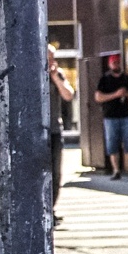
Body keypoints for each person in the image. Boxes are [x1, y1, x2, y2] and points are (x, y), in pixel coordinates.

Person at [93, 54, 128, 178]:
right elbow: (98, 97)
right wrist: (116, 94)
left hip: (126, 115)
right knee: (112, 143)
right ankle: (116, 170)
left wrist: (127, 94)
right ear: (110, 64)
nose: (116, 65)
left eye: (118, 62)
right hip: (110, 116)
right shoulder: (105, 79)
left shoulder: (126, 78)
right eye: (113, 63)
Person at [46, 44, 74, 209]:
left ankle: (51, 208)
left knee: (56, 173)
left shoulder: (58, 74)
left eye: (52, 58)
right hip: (37, 131)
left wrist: (55, 77)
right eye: (48, 58)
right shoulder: (32, 74)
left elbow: (68, 95)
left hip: (54, 130)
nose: (51, 61)